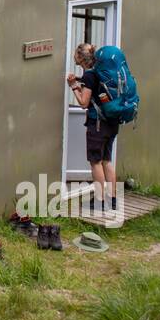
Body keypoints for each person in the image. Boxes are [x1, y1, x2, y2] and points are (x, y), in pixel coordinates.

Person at [66, 42, 119, 215]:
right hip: (111, 121)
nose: (74, 55)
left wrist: (73, 86)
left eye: (76, 53)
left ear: (81, 57)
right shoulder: (100, 72)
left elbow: (83, 103)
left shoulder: (90, 75)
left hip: (97, 124)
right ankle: (112, 200)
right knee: (106, 160)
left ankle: (99, 202)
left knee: (95, 162)